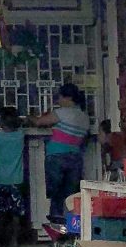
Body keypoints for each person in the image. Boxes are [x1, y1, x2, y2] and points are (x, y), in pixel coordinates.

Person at [31, 84, 91, 223]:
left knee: (56, 194)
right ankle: (71, 227)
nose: (58, 100)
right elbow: (84, 140)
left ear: (68, 98)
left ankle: (57, 228)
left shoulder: (63, 112)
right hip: (75, 158)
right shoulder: (84, 117)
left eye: (60, 97)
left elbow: (40, 122)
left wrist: (30, 117)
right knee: (71, 196)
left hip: (57, 157)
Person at [0, 107, 28, 246]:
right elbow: (25, 122)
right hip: (16, 180)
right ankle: (14, 240)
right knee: (16, 213)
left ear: (2, 122)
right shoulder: (20, 136)